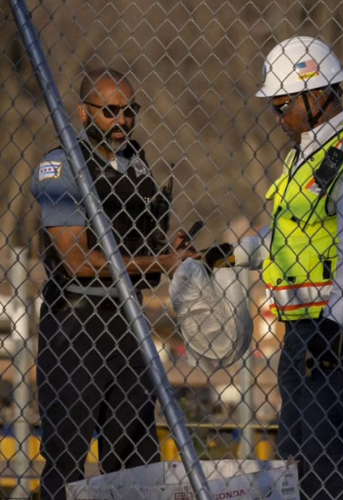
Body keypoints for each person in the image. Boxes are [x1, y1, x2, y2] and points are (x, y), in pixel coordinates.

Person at [202, 36, 343, 500]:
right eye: (274, 107)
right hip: (306, 323)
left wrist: (332, 325)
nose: (278, 118)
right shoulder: (305, 157)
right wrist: (234, 253)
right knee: (297, 444)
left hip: (342, 324)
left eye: (283, 105)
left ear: (316, 97)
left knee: (318, 445)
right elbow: (287, 236)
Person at [30, 67, 198, 499]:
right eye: (109, 111)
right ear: (83, 113)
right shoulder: (61, 164)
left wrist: (168, 252)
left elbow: (141, 253)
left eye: (130, 111)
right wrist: (160, 259)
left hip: (128, 321)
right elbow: (78, 261)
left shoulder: (134, 161)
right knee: (66, 454)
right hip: (77, 323)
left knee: (135, 453)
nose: (122, 122)